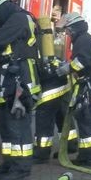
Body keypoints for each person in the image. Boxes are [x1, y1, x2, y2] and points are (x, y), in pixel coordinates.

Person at [0, 0, 41, 180]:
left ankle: (21, 167)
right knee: (7, 125)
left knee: (17, 124)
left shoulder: (18, 18)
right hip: (10, 77)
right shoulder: (14, 19)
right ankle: (9, 163)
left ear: (0, 10)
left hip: (20, 79)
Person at [55, 12, 91, 166]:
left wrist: (67, 68)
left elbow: (83, 61)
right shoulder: (84, 38)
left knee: (86, 118)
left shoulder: (83, 40)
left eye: (68, 29)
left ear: (74, 28)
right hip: (90, 83)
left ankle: (90, 156)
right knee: (87, 118)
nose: (66, 32)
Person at [33, 14, 74, 165]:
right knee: (62, 116)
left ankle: (41, 154)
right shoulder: (57, 40)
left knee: (44, 118)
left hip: (50, 87)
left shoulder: (38, 40)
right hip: (62, 84)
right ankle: (71, 145)